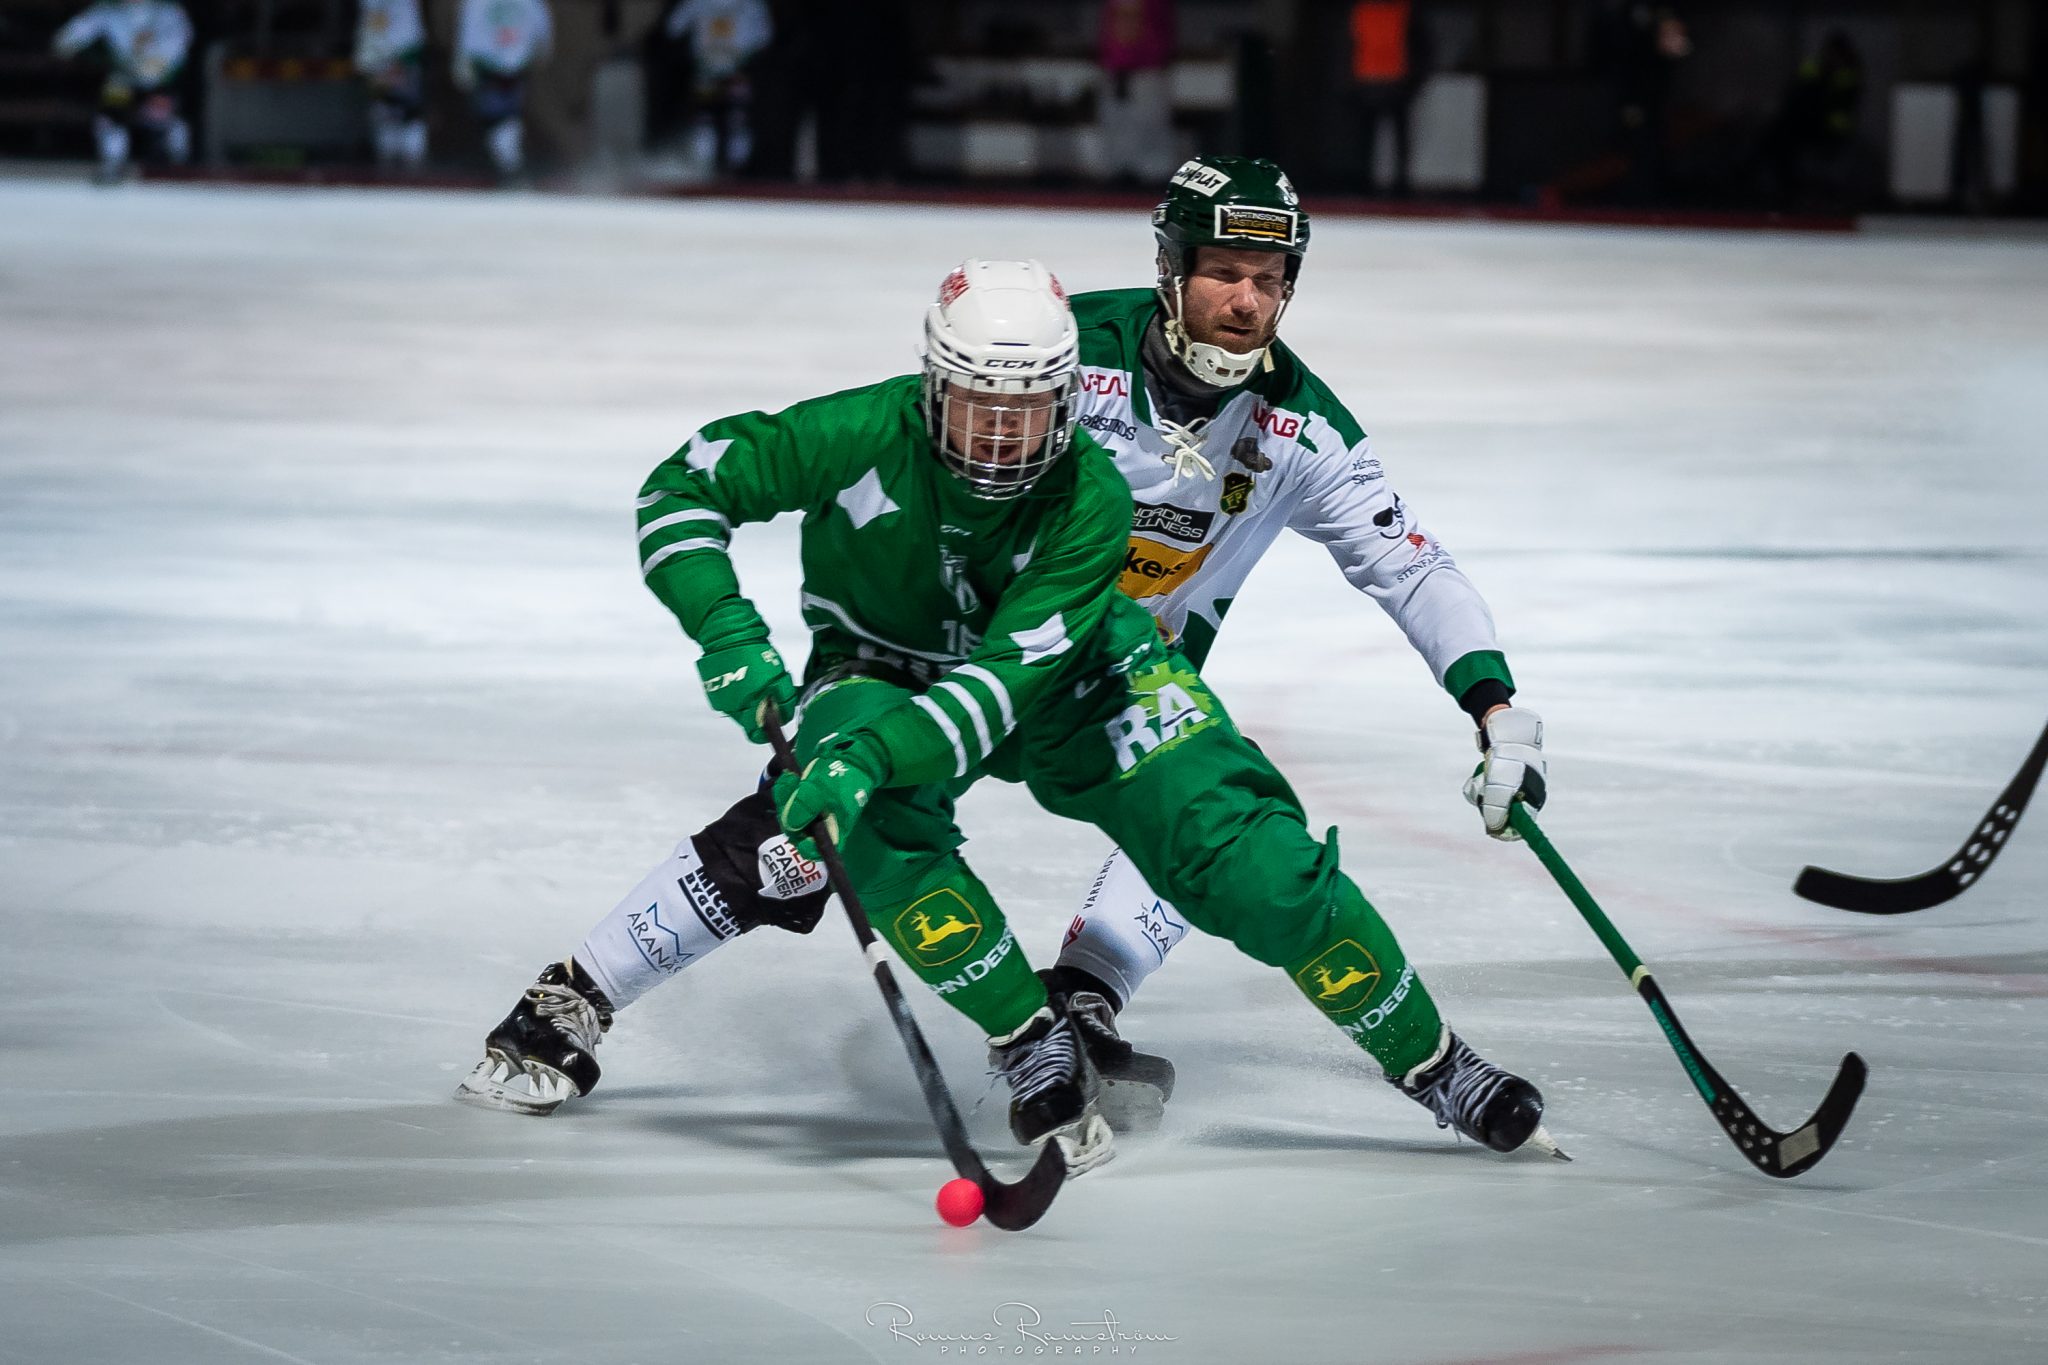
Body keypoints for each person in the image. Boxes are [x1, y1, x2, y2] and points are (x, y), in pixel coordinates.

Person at [456, 239, 1554, 1175]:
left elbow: (997, 690)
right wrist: (731, 639)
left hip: (1081, 663)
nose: (997, 440)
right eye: (977, 407)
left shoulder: (1122, 491)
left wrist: (1489, 698)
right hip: (886, 664)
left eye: (1027, 414)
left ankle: (1430, 1059)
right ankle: (1021, 1030)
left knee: (1237, 848)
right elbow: (680, 488)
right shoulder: (868, 425)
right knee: (822, 828)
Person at [51, 0, 192, 184]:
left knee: (160, 119)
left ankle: (178, 161)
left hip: (160, 78)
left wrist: (159, 62)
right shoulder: (108, 9)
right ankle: (112, 162)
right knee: (110, 116)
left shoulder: (168, 10)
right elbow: (81, 28)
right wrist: (67, 40)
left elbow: (181, 39)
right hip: (124, 77)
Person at [662, 0, 772, 178]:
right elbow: (673, 28)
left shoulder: (752, 5)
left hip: (737, 72)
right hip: (707, 72)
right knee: (705, 120)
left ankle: (735, 172)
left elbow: (764, 36)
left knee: (736, 121)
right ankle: (706, 171)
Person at [453, 0, 553, 181]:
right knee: (493, 120)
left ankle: (509, 170)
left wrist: (539, 53)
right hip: (487, 67)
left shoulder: (530, 3)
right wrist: (464, 60)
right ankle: (499, 165)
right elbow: (468, 31)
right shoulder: (476, 4)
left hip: (515, 69)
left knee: (507, 122)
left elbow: (542, 31)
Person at [1347, 0, 1429, 196]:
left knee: (1397, 136)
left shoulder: (1404, 10)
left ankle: (1401, 183)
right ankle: (1364, 182)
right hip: (1368, 80)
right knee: (1366, 137)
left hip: (1395, 80)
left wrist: (1415, 80)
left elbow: (1419, 46)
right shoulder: (1363, 10)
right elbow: (1351, 45)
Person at [1096, 0, 1177, 187]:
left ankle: (1153, 179)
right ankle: (1118, 174)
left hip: (1147, 70)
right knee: (1115, 123)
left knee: (1149, 125)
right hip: (1117, 69)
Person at [355, 0, 429, 172]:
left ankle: (414, 166)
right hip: (378, 58)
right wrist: (370, 60)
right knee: (384, 114)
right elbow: (369, 26)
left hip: (405, 59)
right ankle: (386, 166)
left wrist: (402, 61)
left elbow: (410, 29)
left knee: (409, 115)